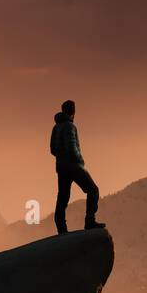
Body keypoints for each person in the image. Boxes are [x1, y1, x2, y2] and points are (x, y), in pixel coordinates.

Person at [49, 99, 103, 233]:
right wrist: (80, 161)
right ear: (73, 111)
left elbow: (52, 149)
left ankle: (61, 228)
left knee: (63, 196)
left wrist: (61, 158)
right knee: (93, 190)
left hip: (61, 168)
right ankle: (89, 221)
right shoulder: (70, 126)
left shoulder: (56, 127)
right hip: (74, 166)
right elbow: (72, 147)